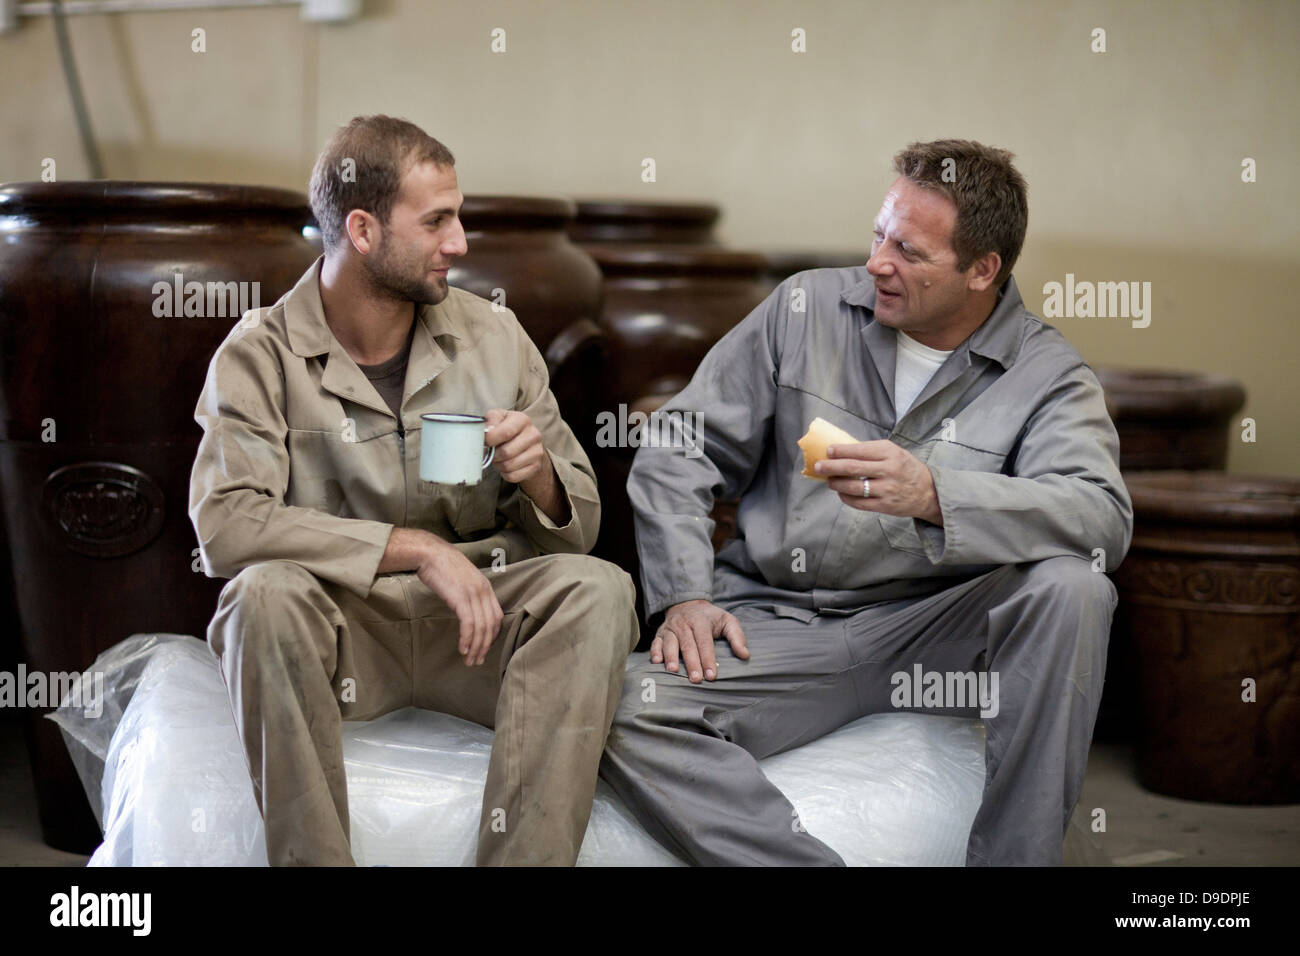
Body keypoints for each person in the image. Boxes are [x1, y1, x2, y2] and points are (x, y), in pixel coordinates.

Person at [599, 139, 1133, 866]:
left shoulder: (1047, 374)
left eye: (910, 251)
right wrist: (684, 595)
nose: (879, 261)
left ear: (983, 271)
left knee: (1075, 587)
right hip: (777, 621)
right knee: (626, 709)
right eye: (879, 232)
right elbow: (679, 444)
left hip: (936, 627)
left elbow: (1100, 515)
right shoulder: (804, 308)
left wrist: (937, 495)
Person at [189, 115, 638, 866]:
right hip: (340, 641)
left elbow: (579, 532)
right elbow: (227, 526)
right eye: (437, 221)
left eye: (457, 217)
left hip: (478, 630)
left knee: (598, 589)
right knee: (260, 596)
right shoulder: (259, 354)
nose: (460, 243)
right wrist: (416, 549)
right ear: (362, 230)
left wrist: (540, 480)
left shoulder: (496, 336)